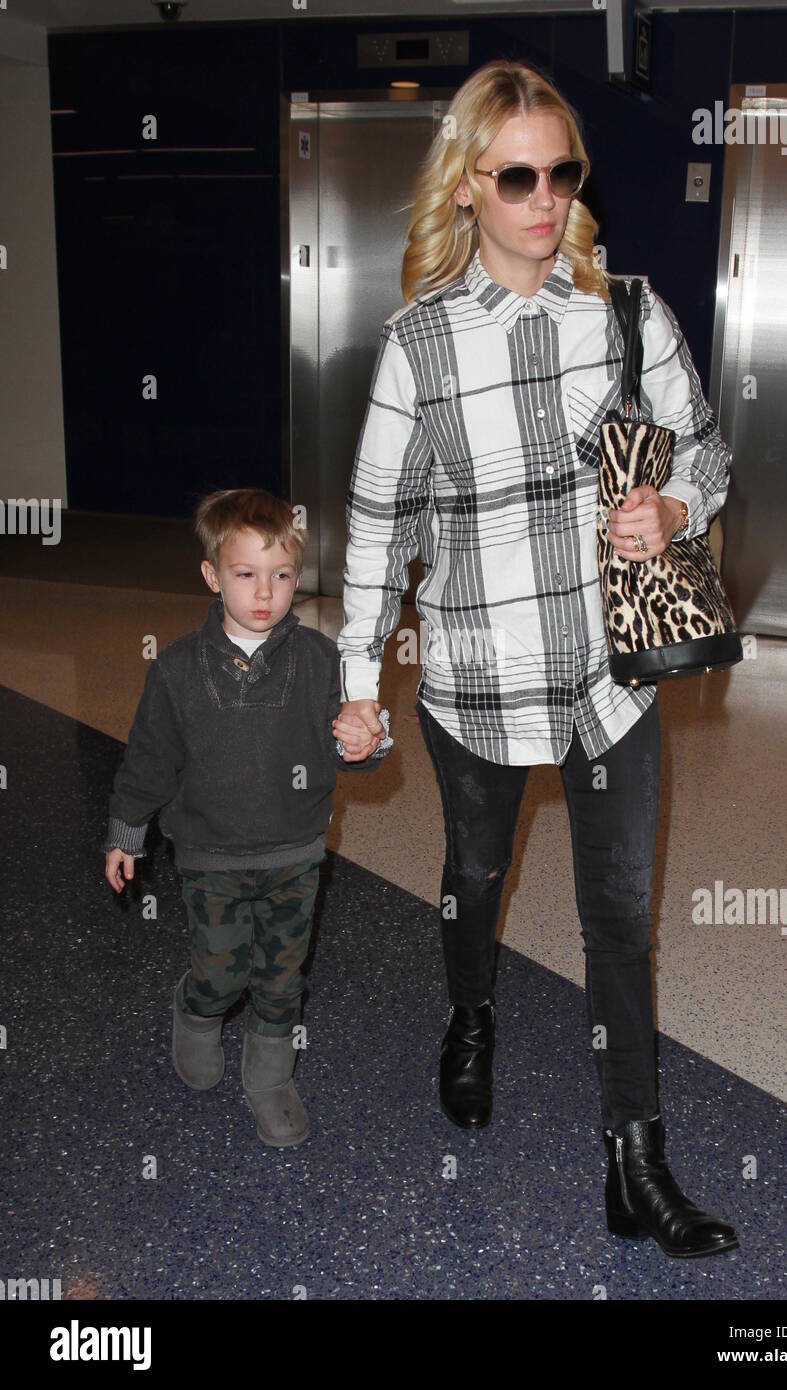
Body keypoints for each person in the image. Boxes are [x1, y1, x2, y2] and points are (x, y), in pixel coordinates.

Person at [333, 60, 739, 1257]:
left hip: (612, 681)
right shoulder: (418, 348)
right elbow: (375, 528)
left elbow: (706, 456)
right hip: (473, 680)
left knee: (618, 920)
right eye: (518, 175)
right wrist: (358, 685)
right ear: (468, 185)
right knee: (472, 879)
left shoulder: (627, 314)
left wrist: (672, 509)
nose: (546, 196)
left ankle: (635, 1159)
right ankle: (469, 1012)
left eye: (563, 172)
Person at [103, 488, 391, 1148]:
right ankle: (197, 1009)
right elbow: (149, 756)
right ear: (212, 576)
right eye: (246, 574)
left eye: (282, 575)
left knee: (282, 977)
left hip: (295, 851)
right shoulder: (177, 668)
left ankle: (268, 1080)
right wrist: (126, 830)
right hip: (209, 856)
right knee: (223, 970)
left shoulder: (322, 662)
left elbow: (355, 747)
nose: (266, 592)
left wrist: (364, 743)